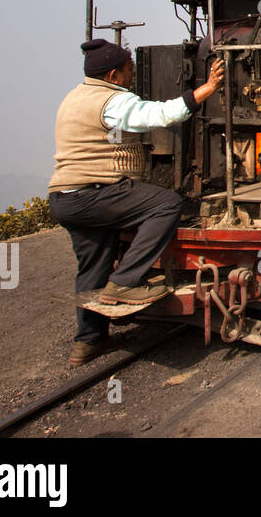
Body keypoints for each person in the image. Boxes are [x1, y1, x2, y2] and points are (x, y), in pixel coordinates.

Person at [48, 39, 225, 366]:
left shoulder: (74, 98)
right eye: (129, 71)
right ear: (114, 75)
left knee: (93, 265)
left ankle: (88, 342)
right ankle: (125, 284)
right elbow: (159, 115)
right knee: (166, 204)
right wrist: (207, 88)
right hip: (94, 192)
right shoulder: (111, 101)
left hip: (64, 198)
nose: (133, 77)